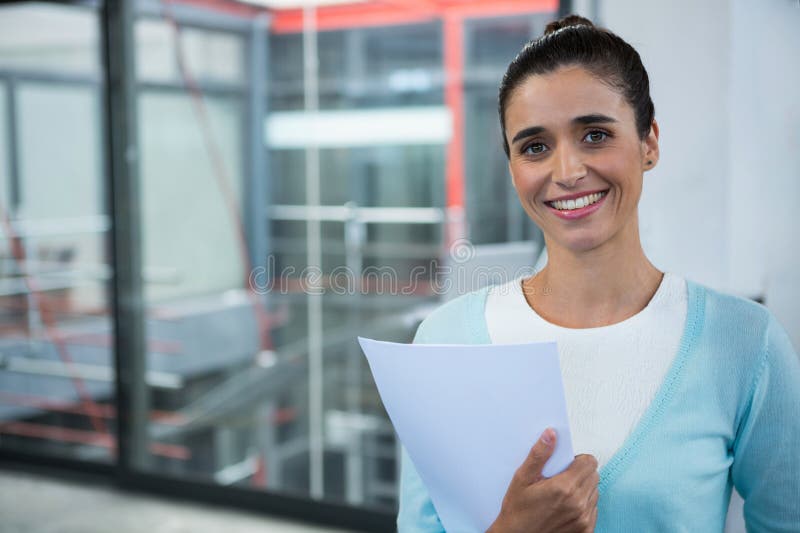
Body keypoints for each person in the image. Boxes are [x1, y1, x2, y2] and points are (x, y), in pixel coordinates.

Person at [397, 14, 800, 533]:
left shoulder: (744, 345)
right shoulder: (444, 345)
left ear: (648, 143)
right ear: (513, 167)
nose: (566, 172)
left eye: (594, 134)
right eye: (535, 146)